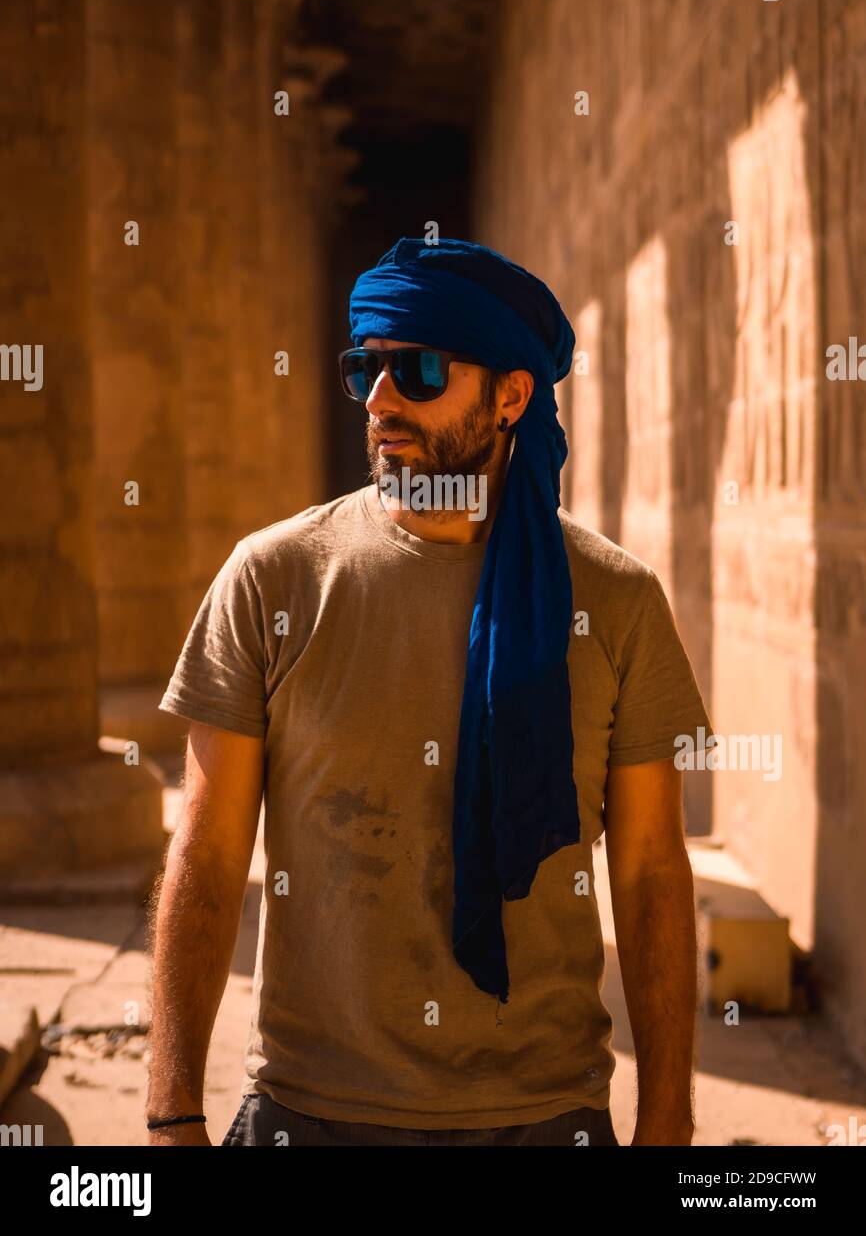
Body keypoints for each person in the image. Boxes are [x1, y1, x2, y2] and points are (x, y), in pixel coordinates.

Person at [146, 237, 711, 1148]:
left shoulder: (615, 601)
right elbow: (207, 853)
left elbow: (649, 871)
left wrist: (667, 1128)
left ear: (511, 395)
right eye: (365, 368)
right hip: (310, 1111)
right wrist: (173, 1113)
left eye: (417, 369)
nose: (380, 399)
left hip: (546, 1115)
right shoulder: (273, 580)